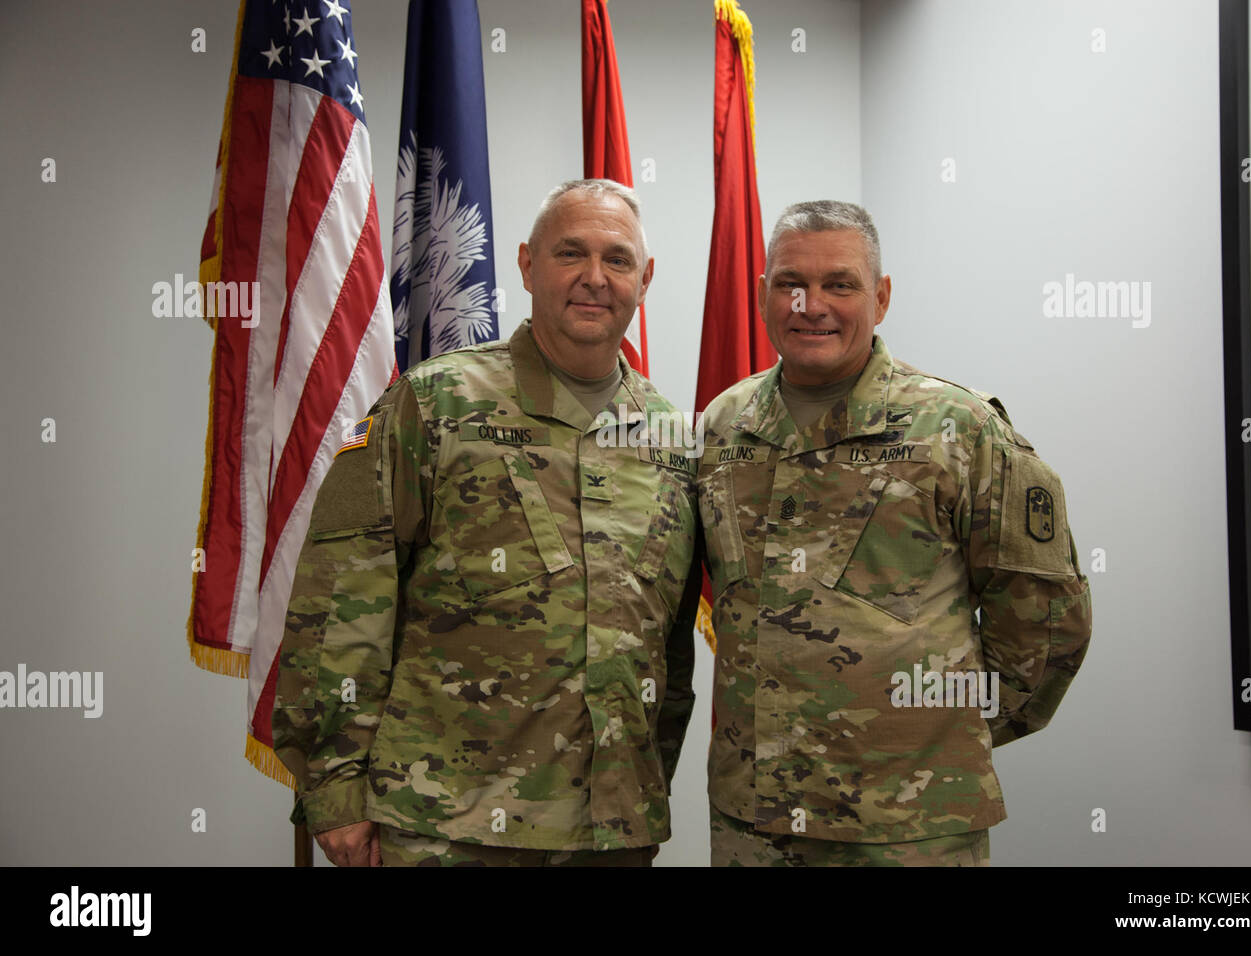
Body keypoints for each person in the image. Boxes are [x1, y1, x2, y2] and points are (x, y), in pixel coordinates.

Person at [272, 179, 701, 867]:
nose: (595, 277)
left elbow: (669, 647)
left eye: (617, 259)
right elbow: (340, 596)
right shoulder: (430, 404)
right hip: (448, 826)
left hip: (611, 834)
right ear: (527, 265)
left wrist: (647, 788)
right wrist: (336, 785)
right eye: (571, 253)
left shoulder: (671, 440)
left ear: (644, 280)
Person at [696, 200, 1092, 866]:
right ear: (763, 295)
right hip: (753, 822)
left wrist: (937, 733)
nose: (811, 305)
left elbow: (1046, 624)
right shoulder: (722, 426)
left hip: (908, 826)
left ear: (880, 297)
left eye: (839, 284)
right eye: (791, 283)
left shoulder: (960, 429)